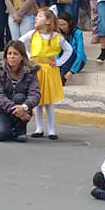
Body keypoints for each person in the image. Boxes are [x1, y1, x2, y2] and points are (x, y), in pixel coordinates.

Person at [19, 9, 73, 139]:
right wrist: (29, 57)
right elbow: (20, 43)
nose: (36, 18)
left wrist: (59, 62)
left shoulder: (57, 37)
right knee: (38, 101)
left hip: (49, 70)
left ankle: (52, 129)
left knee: (48, 101)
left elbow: (69, 50)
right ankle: (39, 128)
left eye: (40, 16)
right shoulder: (33, 34)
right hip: (36, 70)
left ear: (48, 21)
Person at [0, 40, 41, 142]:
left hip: (23, 107)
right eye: (9, 54)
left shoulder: (30, 72)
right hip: (2, 109)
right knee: (2, 135)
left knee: (20, 97)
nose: (12, 57)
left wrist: (24, 107)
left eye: (15, 54)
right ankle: (9, 128)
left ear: (22, 57)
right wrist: (16, 110)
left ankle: (20, 130)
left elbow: (35, 94)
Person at [57, 11, 86, 83]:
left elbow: (80, 53)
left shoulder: (77, 32)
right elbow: (55, 52)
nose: (61, 27)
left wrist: (72, 71)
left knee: (70, 52)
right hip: (62, 60)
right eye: (59, 25)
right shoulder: (57, 33)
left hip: (75, 60)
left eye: (64, 24)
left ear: (69, 23)